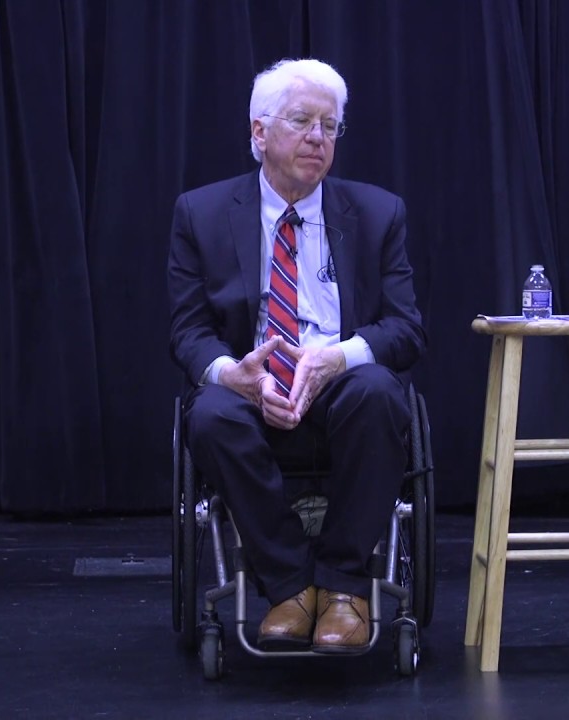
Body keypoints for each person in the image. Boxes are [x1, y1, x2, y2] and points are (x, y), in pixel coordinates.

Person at [167, 58, 425, 653]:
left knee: (380, 391)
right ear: (259, 133)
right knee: (207, 414)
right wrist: (231, 373)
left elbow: (406, 329)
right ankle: (289, 587)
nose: (318, 137)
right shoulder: (200, 214)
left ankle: (342, 588)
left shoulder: (379, 213)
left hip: (339, 395)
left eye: (330, 126)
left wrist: (338, 356)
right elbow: (187, 330)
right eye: (302, 121)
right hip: (250, 391)